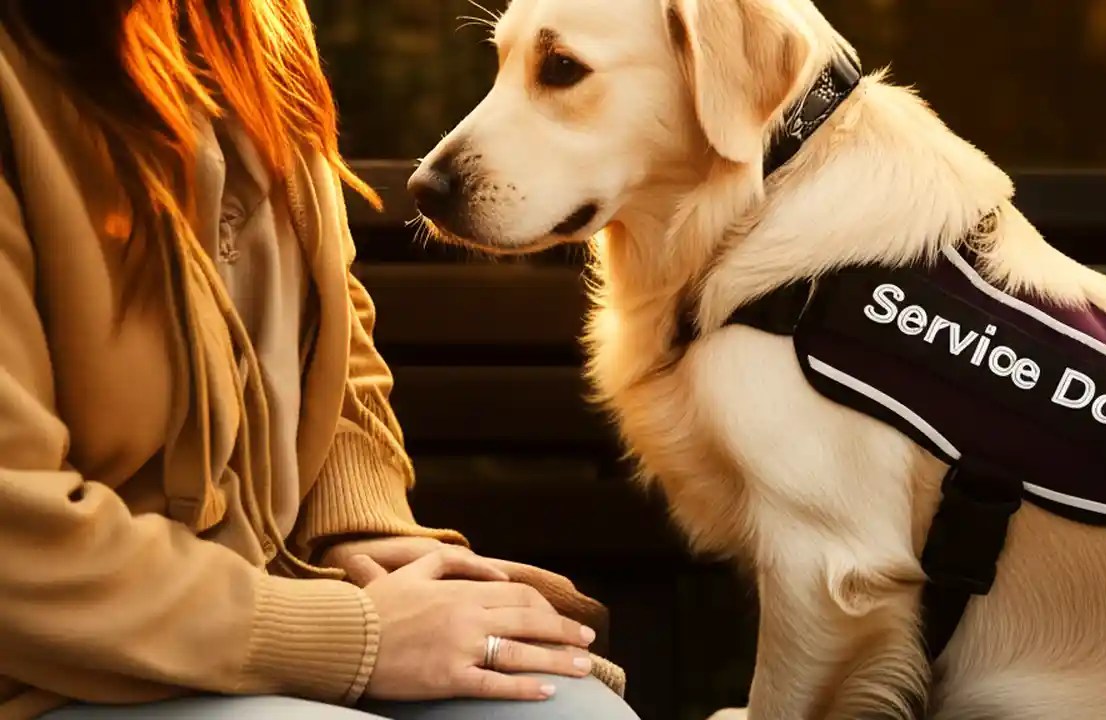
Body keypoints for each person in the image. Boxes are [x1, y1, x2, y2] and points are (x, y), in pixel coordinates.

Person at [0, 1, 637, 718]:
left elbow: (323, 332)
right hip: (55, 673)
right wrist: (355, 637)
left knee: (572, 710)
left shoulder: (252, 23)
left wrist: (357, 532)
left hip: (283, 606)